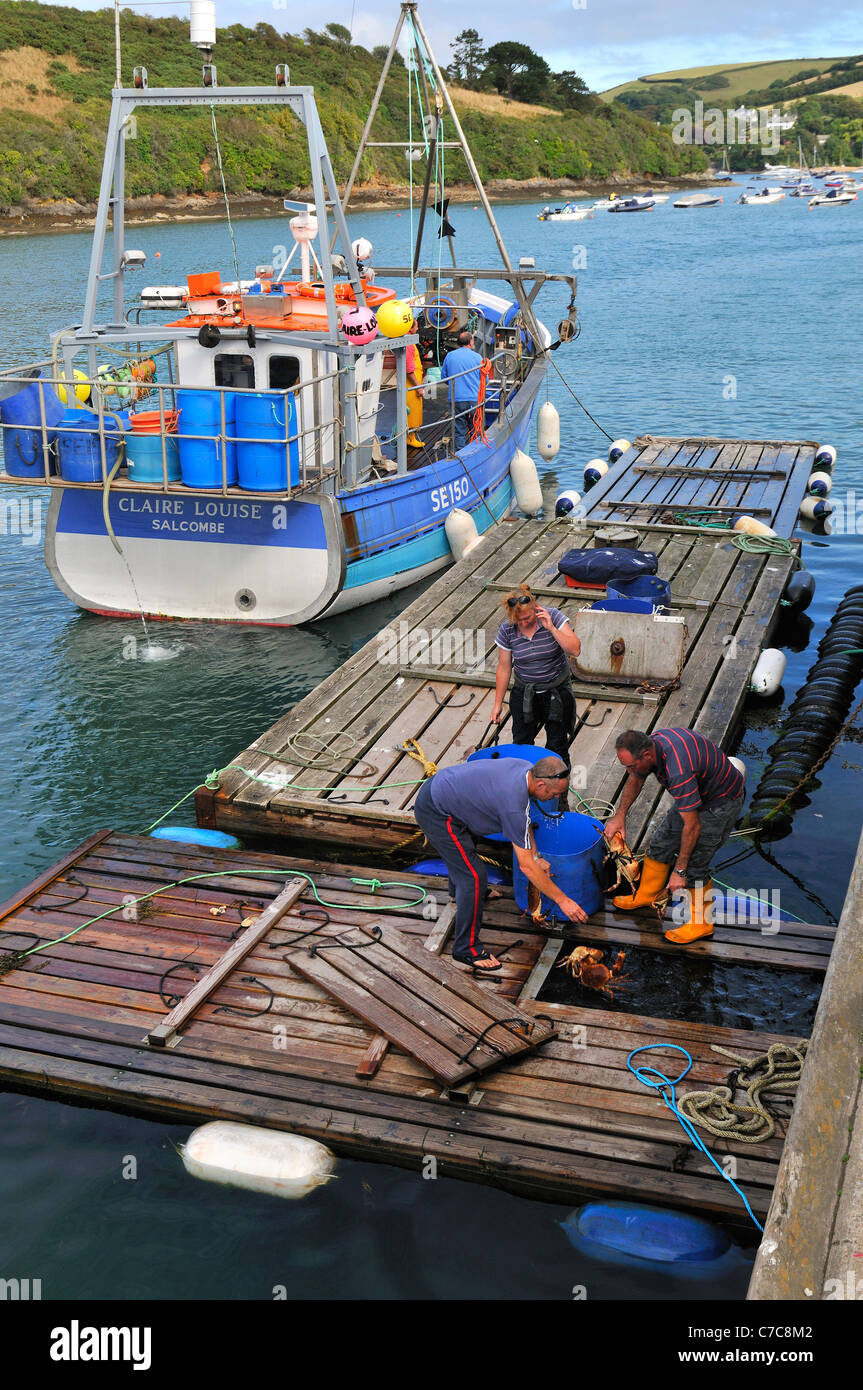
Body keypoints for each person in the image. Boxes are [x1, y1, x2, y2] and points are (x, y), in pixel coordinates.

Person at [414, 754, 588, 973]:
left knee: (462, 860)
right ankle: (466, 948)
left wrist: (536, 856)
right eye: (554, 793)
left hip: (454, 796)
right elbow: (525, 865)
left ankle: (460, 892)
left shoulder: (527, 770)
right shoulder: (514, 803)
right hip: (437, 810)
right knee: (474, 877)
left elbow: (523, 824)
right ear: (541, 784)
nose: (555, 797)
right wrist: (564, 901)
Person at [604, 728, 745, 944]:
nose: (629, 771)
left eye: (630, 765)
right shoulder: (652, 744)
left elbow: (693, 826)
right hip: (695, 793)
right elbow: (636, 777)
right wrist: (620, 815)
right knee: (659, 845)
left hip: (720, 803)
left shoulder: (678, 771)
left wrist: (679, 871)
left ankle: (702, 924)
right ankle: (647, 894)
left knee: (696, 866)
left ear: (647, 756)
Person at [492, 585, 581, 767]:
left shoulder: (553, 616)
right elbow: (504, 668)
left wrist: (552, 629)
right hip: (525, 692)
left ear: (535, 607)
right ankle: (524, 784)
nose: (523, 623)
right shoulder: (507, 629)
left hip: (556, 690)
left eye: (527, 618)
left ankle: (559, 790)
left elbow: (575, 649)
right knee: (521, 743)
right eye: (519, 621)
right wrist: (497, 704)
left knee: (557, 746)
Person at [440, 330, 483, 452]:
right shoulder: (477, 357)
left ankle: (460, 454)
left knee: (458, 429)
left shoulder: (450, 356)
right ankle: (475, 452)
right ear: (470, 342)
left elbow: (445, 377)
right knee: (475, 428)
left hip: (456, 399)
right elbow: (484, 379)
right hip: (474, 399)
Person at [405, 317, 424, 449]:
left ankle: (411, 436)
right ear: (411, 328)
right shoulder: (408, 345)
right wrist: (418, 386)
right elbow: (409, 369)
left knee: (414, 410)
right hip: (411, 385)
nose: (417, 329)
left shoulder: (409, 342)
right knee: (412, 411)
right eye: (416, 326)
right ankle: (410, 437)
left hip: (412, 382)